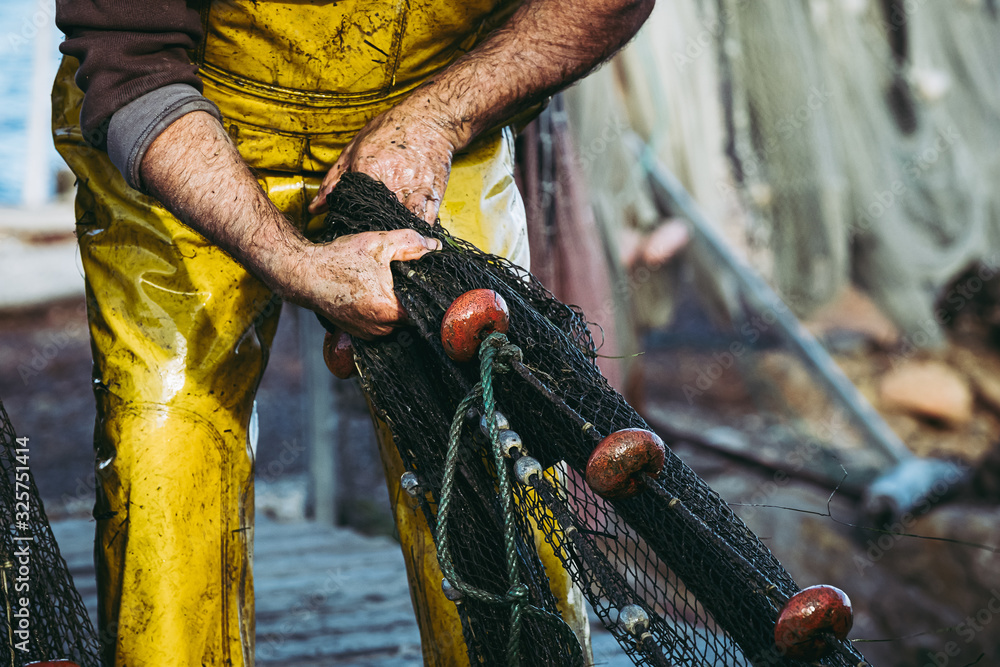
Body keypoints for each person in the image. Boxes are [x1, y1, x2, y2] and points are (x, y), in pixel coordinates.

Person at [52, 1, 653, 664]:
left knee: (490, 454)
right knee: (166, 458)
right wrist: (295, 264)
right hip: (183, 129)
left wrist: (437, 117)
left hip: (437, 121)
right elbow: (130, 60)